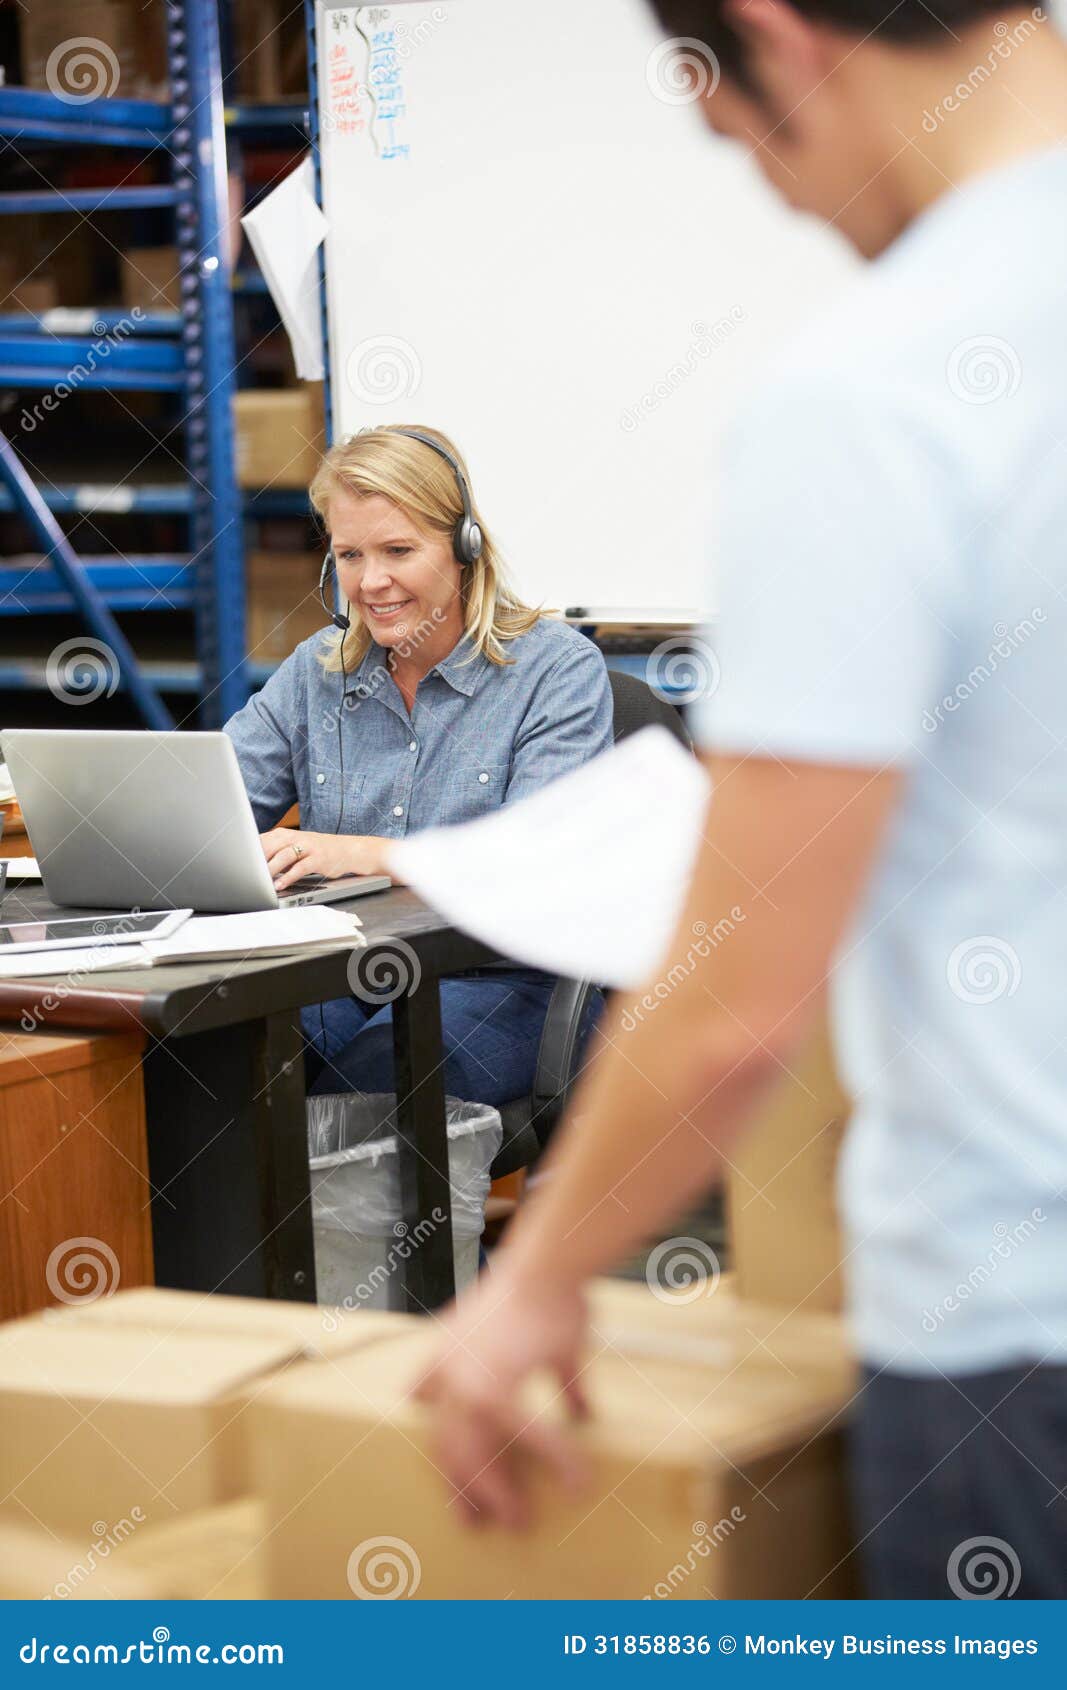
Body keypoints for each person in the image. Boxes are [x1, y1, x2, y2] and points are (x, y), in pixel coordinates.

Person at [414, 0, 1067, 1597]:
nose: (784, 208)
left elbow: (738, 998)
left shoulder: (875, 389)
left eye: (733, 142)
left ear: (777, 37)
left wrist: (531, 1283)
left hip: (1018, 1333)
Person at [225, 424, 612, 1104]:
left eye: (398, 550)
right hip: (338, 975)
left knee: (374, 1086)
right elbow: (214, 808)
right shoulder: (317, 671)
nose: (371, 582)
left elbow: (541, 865)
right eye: (349, 554)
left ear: (464, 548)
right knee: (217, 1064)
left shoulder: (556, 671)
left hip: (506, 981)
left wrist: (364, 854)